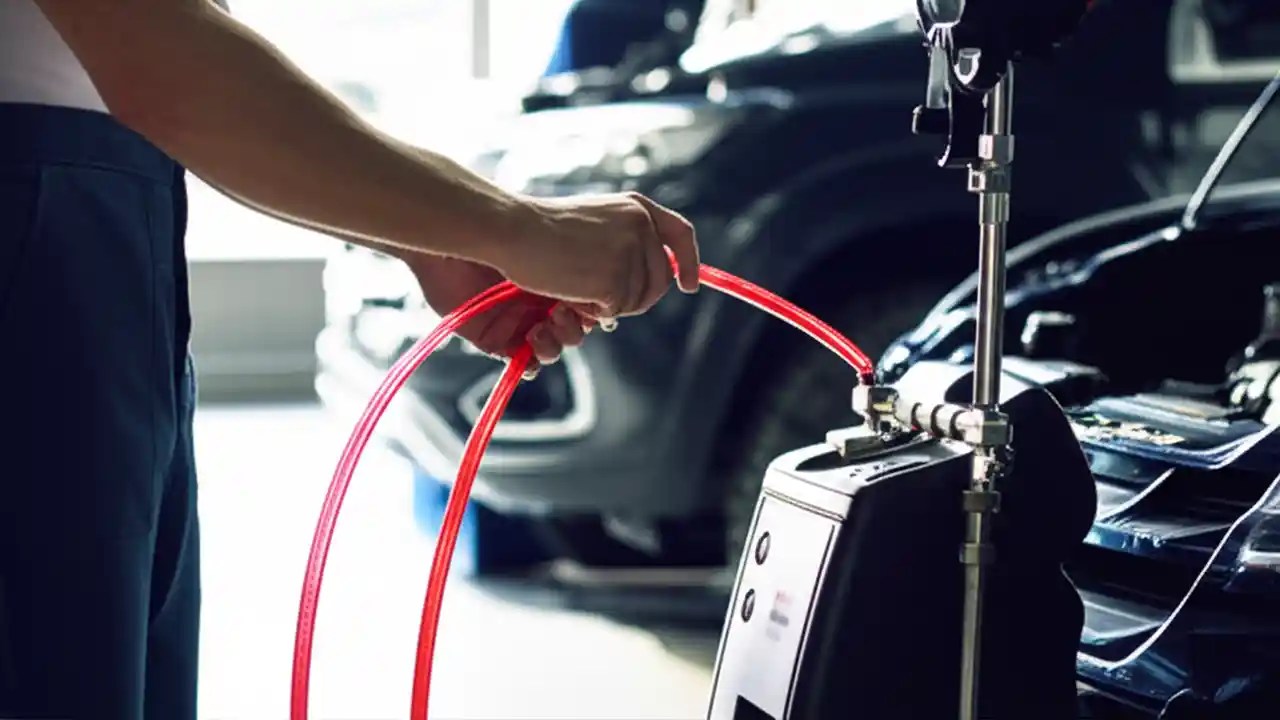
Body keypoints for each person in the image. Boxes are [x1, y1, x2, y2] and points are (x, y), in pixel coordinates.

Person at [0, 1, 700, 718]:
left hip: (101, 253)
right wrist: (512, 228)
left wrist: (440, 240)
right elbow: (159, 53)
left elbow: (184, 61)